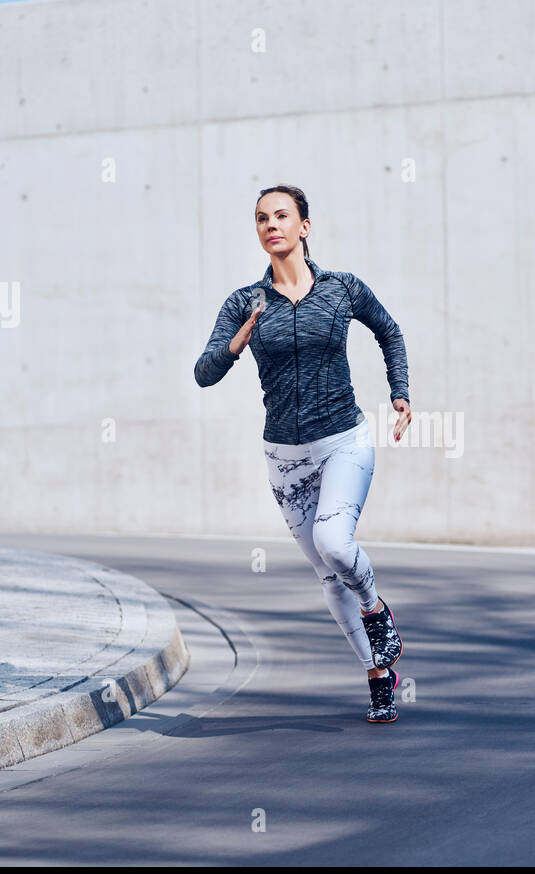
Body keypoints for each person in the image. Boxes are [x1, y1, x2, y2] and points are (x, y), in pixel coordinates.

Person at [194, 183, 411, 723]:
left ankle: (377, 608)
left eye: (282, 216)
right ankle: (378, 675)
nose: (272, 225)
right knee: (326, 572)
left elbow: (389, 331)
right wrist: (237, 341)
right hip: (286, 456)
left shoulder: (342, 289)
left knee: (334, 542)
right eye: (262, 218)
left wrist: (400, 392)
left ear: (304, 227)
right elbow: (203, 374)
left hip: (343, 438)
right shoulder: (244, 303)